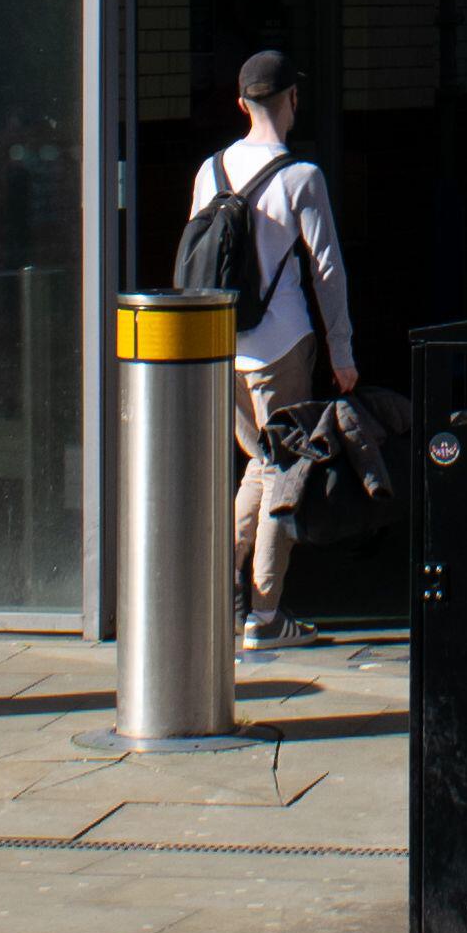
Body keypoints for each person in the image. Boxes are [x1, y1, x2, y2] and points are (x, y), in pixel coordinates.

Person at [185, 47, 357, 646]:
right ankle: (264, 616)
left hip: (221, 349)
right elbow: (327, 272)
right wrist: (343, 353)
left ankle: (217, 599)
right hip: (283, 346)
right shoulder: (302, 178)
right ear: (292, 100)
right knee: (284, 474)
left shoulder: (209, 173)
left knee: (259, 466)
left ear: (240, 104)